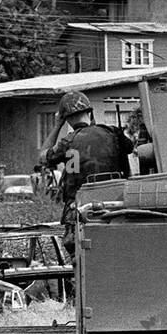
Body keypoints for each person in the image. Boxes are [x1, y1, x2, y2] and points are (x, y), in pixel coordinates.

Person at [39, 91, 133, 253]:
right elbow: (130, 147)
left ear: (66, 119)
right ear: (90, 112)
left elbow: (43, 157)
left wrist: (56, 126)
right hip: (116, 203)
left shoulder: (67, 142)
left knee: (77, 250)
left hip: (80, 208)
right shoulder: (113, 133)